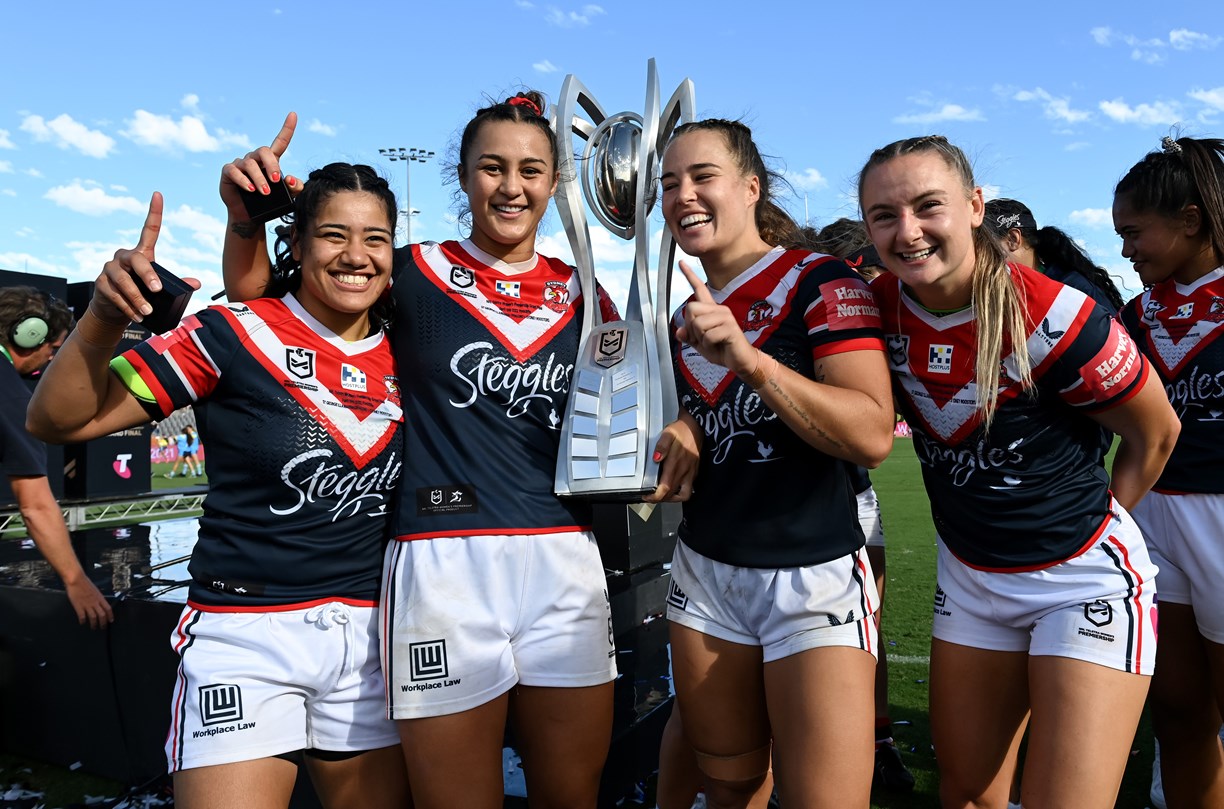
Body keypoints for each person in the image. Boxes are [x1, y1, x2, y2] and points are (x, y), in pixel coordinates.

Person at [209, 98, 697, 809]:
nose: (511, 186)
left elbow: (635, 404)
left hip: (563, 559)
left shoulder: (583, 292)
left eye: (531, 169)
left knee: (571, 793)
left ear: (555, 181)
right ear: (462, 178)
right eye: (491, 168)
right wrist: (245, 220)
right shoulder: (408, 273)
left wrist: (679, 423)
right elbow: (258, 299)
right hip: (442, 563)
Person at [26, 164, 410, 809]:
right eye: (333, 235)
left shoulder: (413, 351)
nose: (355, 256)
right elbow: (54, 418)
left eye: (375, 239)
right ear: (296, 242)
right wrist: (101, 316)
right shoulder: (233, 333)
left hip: (374, 637)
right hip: (245, 637)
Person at [857, 134, 1180, 809]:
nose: (907, 231)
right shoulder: (874, 309)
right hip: (971, 581)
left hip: (1080, 580)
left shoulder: (1058, 314)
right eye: (884, 215)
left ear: (975, 206)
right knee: (970, 795)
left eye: (928, 206)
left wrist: (1092, 526)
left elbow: (1156, 432)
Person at [659, 118, 894, 809]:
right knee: (729, 784)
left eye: (703, 176)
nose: (684, 195)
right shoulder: (683, 315)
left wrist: (750, 361)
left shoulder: (818, 280)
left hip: (812, 571)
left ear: (751, 188)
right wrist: (686, 422)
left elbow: (872, 432)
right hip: (706, 572)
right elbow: (698, 421)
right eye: (670, 183)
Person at [1115, 134, 1224, 809]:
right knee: (1178, 712)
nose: (1127, 249)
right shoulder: (1135, 314)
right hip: (1153, 513)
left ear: (1190, 220)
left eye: (1135, 232)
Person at [809, 217, 915, 793]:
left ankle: (878, 744)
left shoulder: (877, 315)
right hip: (808, 499)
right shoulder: (814, 301)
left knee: (868, 625)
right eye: (869, 271)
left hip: (854, 492)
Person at [0, 286, 112, 629]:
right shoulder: (11, 396)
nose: (51, 359)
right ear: (27, 335)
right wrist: (76, 581)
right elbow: (35, 505)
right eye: (52, 349)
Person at [983, 197, 1126, 316]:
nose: (979, 261)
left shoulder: (1074, 291)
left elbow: (1120, 347)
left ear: (1013, 240)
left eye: (984, 249)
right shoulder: (1003, 300)